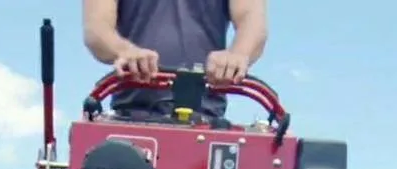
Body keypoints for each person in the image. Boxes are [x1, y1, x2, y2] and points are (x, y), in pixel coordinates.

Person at [82, 0, 268, 119]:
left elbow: (251, 19)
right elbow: (97, 30)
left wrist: (237, 55)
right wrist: (124, 51)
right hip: (131, 113)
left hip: (206, 116)